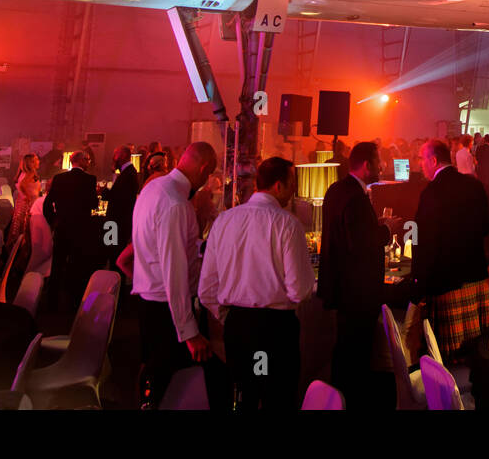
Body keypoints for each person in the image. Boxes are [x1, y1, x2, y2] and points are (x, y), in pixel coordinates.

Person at [199, 156, 314, 410]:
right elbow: (299, 291)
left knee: (242, 399)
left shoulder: (224, 221)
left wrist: (229, 316)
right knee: (278, 400)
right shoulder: (288, 224)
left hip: (238, 327)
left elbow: (206, 289)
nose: (294, 189)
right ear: (278, 186)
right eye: (292, 182)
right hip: (277, 329)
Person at [128, 142, 216, 406]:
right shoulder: (175, 203)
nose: (207, 180)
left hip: (149, 304)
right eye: (209, 173)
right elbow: (174, 272)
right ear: (202, 169)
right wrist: (189, 332)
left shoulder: (153, 189)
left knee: (153, 385)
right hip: (166, 311)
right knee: (172, 390)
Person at [319, 141, 389, 410]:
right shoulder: (356, 198)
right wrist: (386, 231)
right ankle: (353, 402)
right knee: (356, 354)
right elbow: (360, 243)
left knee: (344, 350)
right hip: (358, 291)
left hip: (341, 288)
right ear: (367, 165)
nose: (382, 166)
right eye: (379, 161)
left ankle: (337, 399)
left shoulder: (336, 190)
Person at [411, 139, 489, 359]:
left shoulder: (430, 193)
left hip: (447, 283)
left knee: (450, 359)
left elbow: (422, 240)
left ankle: (450, 392)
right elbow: (486, 227)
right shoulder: (474, 185)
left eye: (422, 159)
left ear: (434, 160)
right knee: (480, 350)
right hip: (476, 276)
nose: (420, 164)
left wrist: (418, 281)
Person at [44, 149, 100, 311]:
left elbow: (47, 204)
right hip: (81, 229)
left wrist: (54, 221)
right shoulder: (89, 179)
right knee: (77, 265)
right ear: (81, 161)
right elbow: (93, 205)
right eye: (87, 160)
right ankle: (75, 301)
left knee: (57, 264)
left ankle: (51, 301)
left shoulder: (59, 178)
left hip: (62, 227)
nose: (89, 162)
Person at [103, 145, 140, 253]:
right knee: (112, 249)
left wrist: (104, 191)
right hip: (118, 221)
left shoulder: (128, 174)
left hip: (117, 222)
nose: (113, 157)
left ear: (123, 156)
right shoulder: (126, 172)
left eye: (116, 154)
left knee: (114, 251)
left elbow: (116, 197)